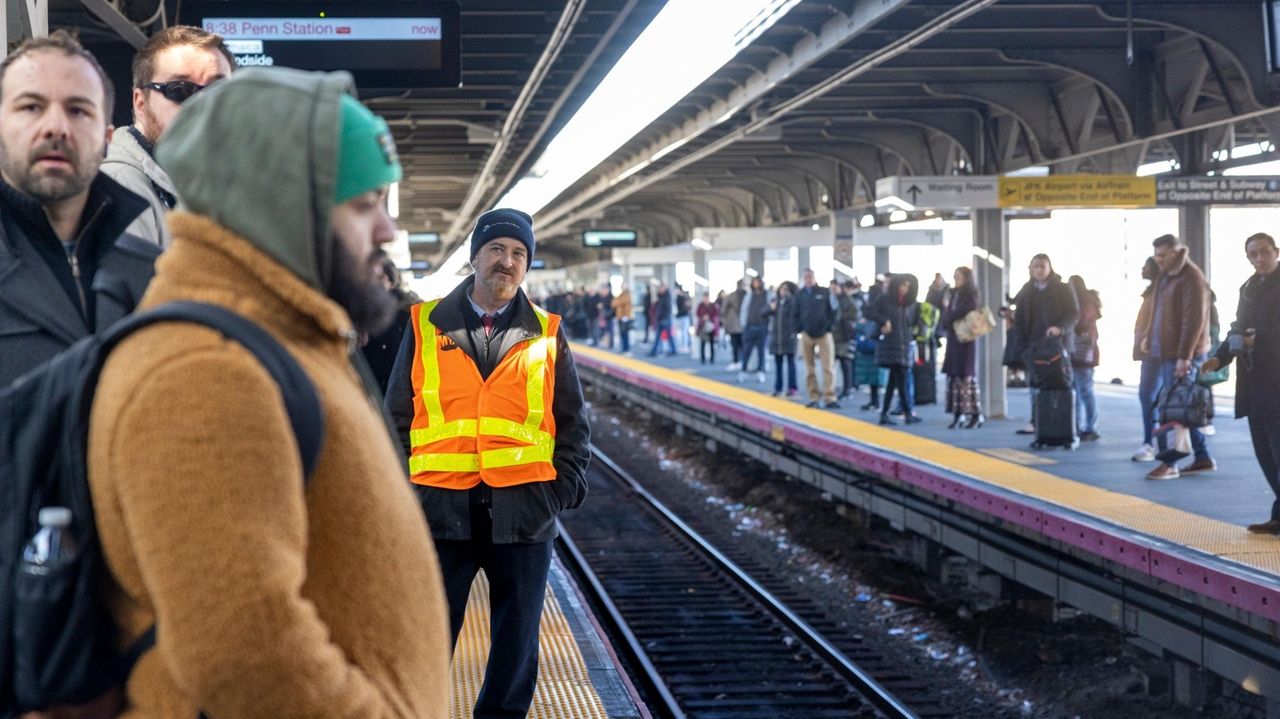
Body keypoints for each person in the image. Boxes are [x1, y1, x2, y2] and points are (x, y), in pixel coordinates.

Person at [88, 68, 450, 717]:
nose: (388, 233)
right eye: (364, 205)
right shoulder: (202, 371)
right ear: (284, 205)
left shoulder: (279, 336)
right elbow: (249, 656)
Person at [386, 206, 591, 717]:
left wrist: (558, 492)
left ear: (527, 266)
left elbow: (573, 423)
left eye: (519, 253)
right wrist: (404, 494)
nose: (507, 261)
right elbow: (395, 418)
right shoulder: (426, 323)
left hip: (523, 513)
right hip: (440, 512)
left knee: (515, 650)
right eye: (497, 249)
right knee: (426, 643)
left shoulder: (546, 331)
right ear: (475, 256)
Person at [0, 31, 159, 387]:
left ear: (107, 138)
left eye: (78, 110)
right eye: (31, 107)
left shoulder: (152, 277)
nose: (56, 127)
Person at [100, 25, 235, 248]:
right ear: (140, 102)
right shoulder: (118, 187)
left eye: (218, 91)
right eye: (179, 90)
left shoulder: (218, 184)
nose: (202, 105)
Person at [1201, 233, 1280, 532]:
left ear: (1276, 251)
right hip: (1255, 383)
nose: (1259, 259)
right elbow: (1236, 327)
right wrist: (1219, 358)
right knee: (1266, 455)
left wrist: (1258, 338)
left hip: (1276, 382)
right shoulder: (1247, 288)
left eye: (1264, 252)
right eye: (1252, 255)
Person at [1138, 234, 1213, 480]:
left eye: (1163, 255)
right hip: (1164, 350)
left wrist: (1185, 356)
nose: (1158, 260)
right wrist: (1149, 335)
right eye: (1156, 255)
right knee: (1184, 407)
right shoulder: (1165, 275)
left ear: (1176, 251)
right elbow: (1156, 310)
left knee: (1170, 409)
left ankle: (1169, 464)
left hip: (1180, 354)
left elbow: (1194, 320)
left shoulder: (1191, 276)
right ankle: (1202, 457)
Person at [1010, 254, 1079, 434]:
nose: (1039, 270)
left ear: (1049, 267)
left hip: (1059, 346)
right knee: (1035, 385)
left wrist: (1060, 328)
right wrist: (1023, 346)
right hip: (1034, 347)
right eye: (1035, 267)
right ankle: (1037, 421)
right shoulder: (1026, 291)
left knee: (1064, 384)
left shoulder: (1063, 289)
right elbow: (1019, 320)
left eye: (1042, 266)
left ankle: (1070, 424)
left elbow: (1074, 314)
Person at [865, 273, 922, 425]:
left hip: (903, 344)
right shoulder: (885, 299)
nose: (905, 289)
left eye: (907, 286)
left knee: (895, 379)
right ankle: (906, 413)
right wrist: (884, 321)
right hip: (891, 344)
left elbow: (912, 322)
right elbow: (868, 311)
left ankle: (886, 413)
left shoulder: (909, 302)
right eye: (903, 285)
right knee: (900, 377)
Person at [362, 257, 420, 395]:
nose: (373, 284)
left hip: (401, 396)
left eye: (380, 278)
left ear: (392, 283)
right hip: (370, 394)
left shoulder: (408, 314)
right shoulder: (359, 315)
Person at [940, 266, 983, 428]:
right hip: (954, 340)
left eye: (958, 276)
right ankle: (958, 414)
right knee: (954, 378)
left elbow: (960, 312)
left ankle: (974, 414)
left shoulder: (970, 295)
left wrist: (949, 315)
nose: (955, 279)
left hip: (965, 342)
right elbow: (948, 315)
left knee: (966, 378)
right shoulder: (954, 294)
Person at [792, 268, 839, 408]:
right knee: (809, 368)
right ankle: (814, 397)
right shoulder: (799, 295)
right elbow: (795, 313)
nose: (808, 279)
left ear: (814, 277)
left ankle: (829, 397)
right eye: (806, 276)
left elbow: (834, 311)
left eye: (810, 276)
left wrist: (829, 327)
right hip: (807, 334)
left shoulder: (824, 292)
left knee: (828, 367)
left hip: (824, 334)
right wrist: (799, 329)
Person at [1069, 274, 1102, 440]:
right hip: (1079, 353)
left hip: (1083, 354)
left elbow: (1079, 321)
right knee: (1076, 390)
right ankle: (1077, 425)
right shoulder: (1088, 303)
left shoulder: (1086, 303)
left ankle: (1091, 427)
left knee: (1085, 390)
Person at [769, 280, 800, 397]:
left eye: (786, 289)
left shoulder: (793, 302)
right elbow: (764, 313)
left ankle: (792, 387)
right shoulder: (776, 302)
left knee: (791, 363)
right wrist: (771, 308)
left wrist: (794, 332)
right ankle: (778, 387)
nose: (783, 291)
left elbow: (795, 317)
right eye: (782, 289)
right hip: (777, 338)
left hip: (789, 337)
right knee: (778, 364)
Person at [738, 275, 769, 383]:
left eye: (758, 282)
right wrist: (743, 324)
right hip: (750, 326)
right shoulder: (749, 295)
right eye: (754, 282)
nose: (756, 284)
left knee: (761, 351)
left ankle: (761, 371)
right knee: (746, 350)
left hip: (762, 327)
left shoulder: (767, 295)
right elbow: (744, 310)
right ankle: (743, 371)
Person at [831, 279, 858, 399]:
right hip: (833, 336)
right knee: (833, 364)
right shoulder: (832, 300)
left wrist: (843, 321)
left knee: (845, 363)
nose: (833, 290)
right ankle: (835, 387)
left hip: (844, 336)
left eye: (835, 287)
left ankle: (848, 388)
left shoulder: (847, 300)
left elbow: (853, 316)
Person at [722, 279, 745, 369]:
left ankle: (736, 361)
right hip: (743, 324)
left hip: (733, 324)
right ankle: (742, 361)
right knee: (742, 345)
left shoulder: (731, 296)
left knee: (735, 344)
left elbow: (723, 310)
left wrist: (725, 320)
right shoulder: (747, 296)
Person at [649, 281, 677, 355]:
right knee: (658, 336)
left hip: (665, 319)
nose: (660, 289)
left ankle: (673, 350)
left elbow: (667, 309)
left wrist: (663, 317)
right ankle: (655, 351)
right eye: (660, 288)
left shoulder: (667, 297)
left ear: (665, 288)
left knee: (669, 336)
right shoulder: (660, 297)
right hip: (660, 318)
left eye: (661, 287)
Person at [696, 291, 720, 364]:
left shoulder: (713, 305)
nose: (706, 299)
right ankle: (702, 359)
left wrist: (708, 317)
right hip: (703, 326)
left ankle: (712, 359)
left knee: (712, 343)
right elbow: (697, 313)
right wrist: (703, 317)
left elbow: (715, 314)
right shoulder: (700, 305)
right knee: (702, 343)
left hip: (711, 327)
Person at [612, 284, 633, 353]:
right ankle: (624, 348)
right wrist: (616, 302)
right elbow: (613, 303)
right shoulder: (621, 295)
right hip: (620, 317)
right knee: (622, 333)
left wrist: (617, 302)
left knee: (625, 333)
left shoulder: (627, 295)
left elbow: (619, 302)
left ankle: (626, 349)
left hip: (625, 317)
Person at [675, 284, 692, 353]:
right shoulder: (682, 297)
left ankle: (685, 346)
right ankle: (686, 346)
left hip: (684, 316)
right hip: (683, 316)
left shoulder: (682, 297)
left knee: (684, 332)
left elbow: (684, 308)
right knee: (684, 332)